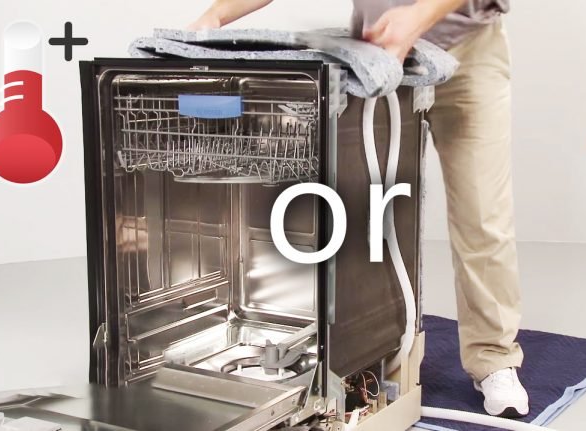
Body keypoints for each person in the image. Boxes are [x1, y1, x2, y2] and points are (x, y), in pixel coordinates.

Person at [190, 0, 529, 418]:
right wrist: (217, 16)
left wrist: (418, 17)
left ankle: (494, 359)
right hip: (378, 57)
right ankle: (374, 351)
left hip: (467, 49)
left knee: (482, 215)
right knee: (368, 211)